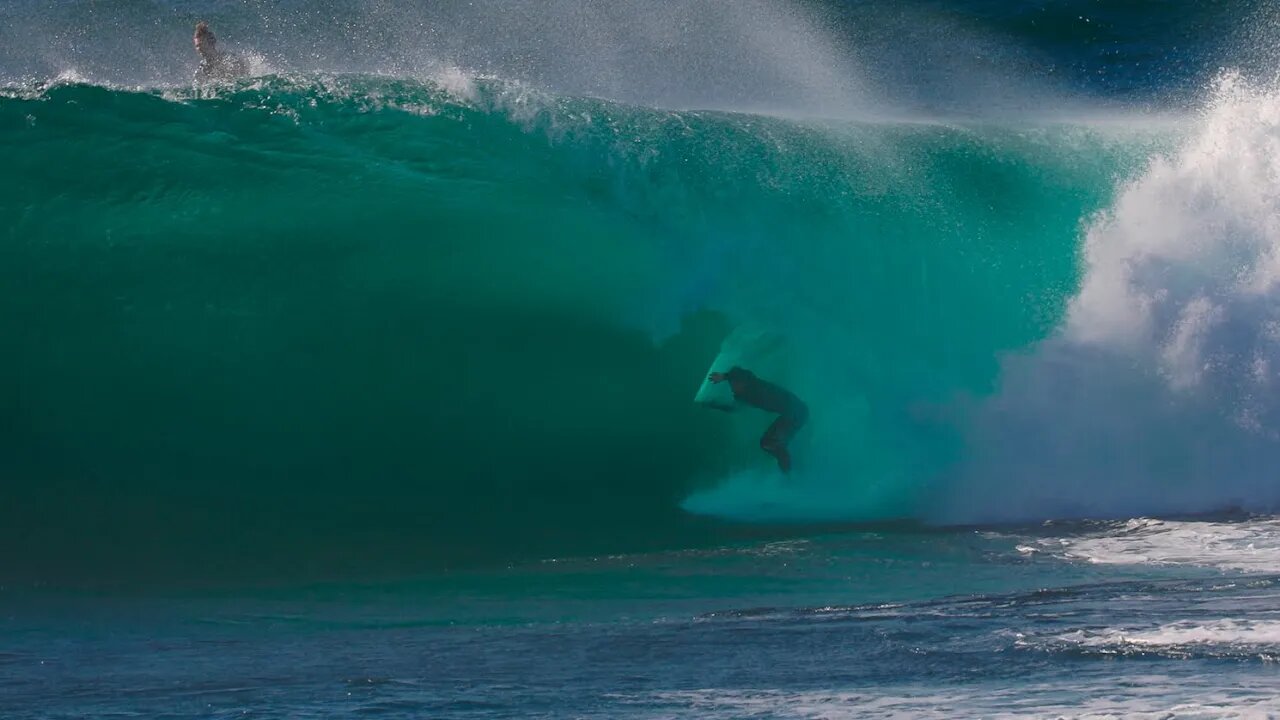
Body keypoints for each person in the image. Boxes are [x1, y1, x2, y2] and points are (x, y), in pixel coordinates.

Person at [708, 367, 808, 473]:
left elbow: (744, 374)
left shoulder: (754, 386)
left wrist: (724, 376)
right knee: (768, 443)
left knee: (769, 442)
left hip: (796, 412)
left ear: (743, 383)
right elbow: (734, 408)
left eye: (734, 384)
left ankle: (788, 474)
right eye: (731, 385)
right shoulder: (742, 395)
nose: (732, 388)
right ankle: (788, 468)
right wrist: (714, 405)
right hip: (794, 412)